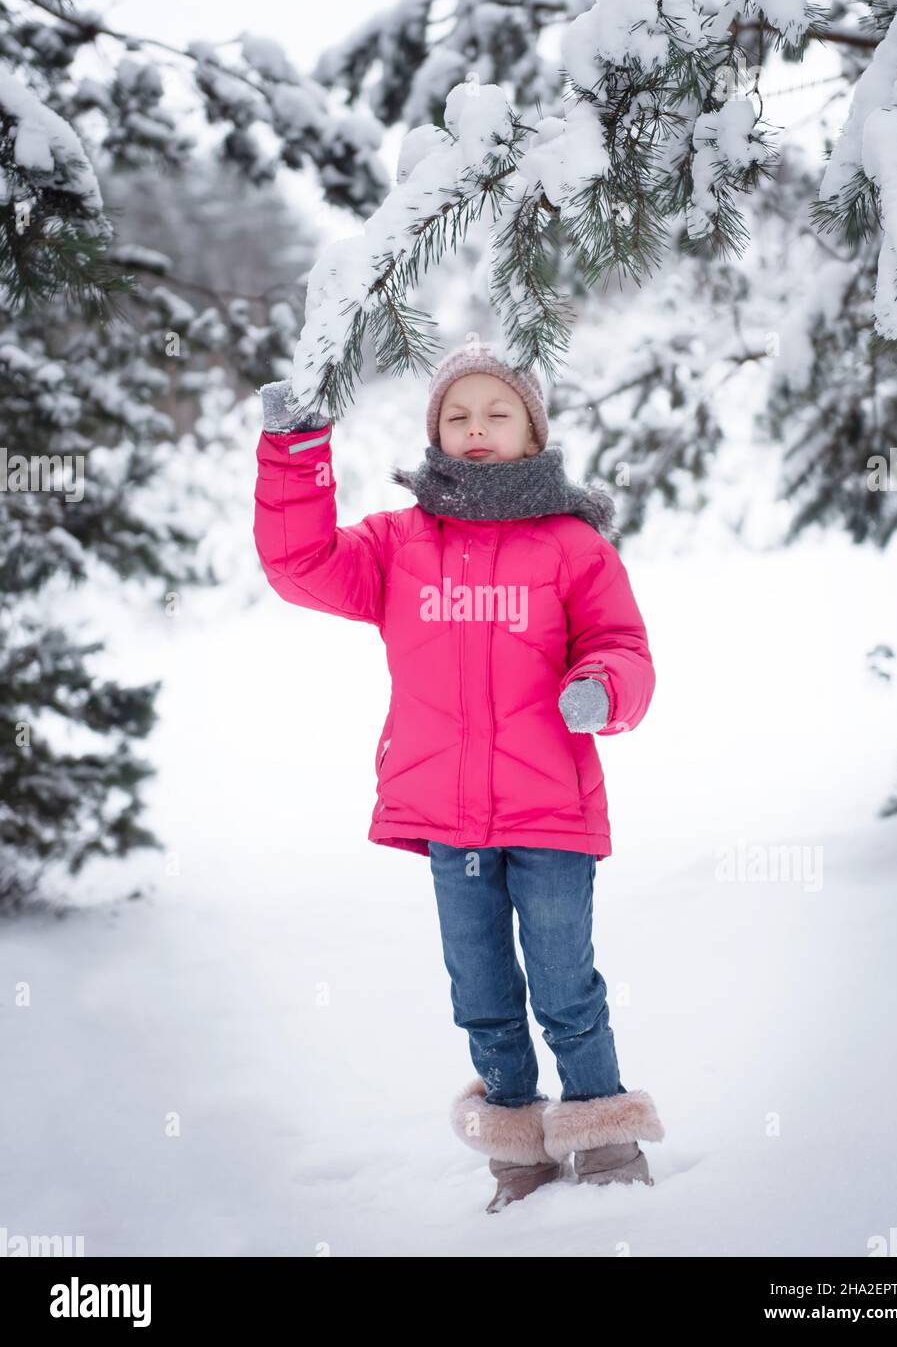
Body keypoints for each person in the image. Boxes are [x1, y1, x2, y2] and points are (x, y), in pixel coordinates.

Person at [253, 340, 664, 1213]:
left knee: (564, 985)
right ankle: (516, 1151)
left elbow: (620, 645)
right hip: (448, 818)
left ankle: (603, 1134)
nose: (476, 427)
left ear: (532, 432)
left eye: (496, 412)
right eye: (457, 415)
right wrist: (295, 449)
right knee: (480, 993)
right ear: (435, 432)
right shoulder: (399, 545)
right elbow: (300, 566)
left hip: (549, 812)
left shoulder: (571, 545)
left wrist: (601, 688)